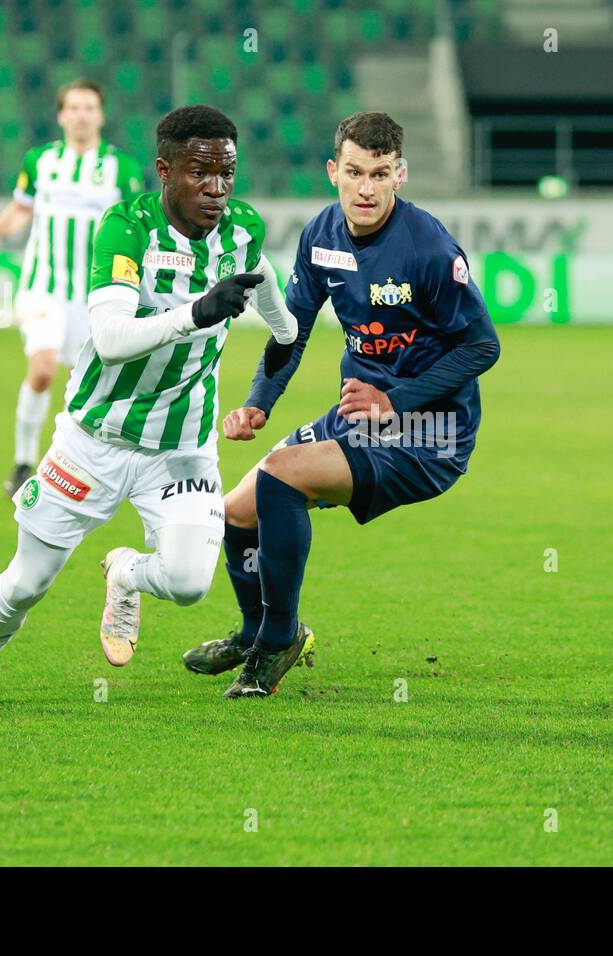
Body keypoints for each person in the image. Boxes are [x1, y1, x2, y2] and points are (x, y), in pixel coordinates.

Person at [0, 106, 297, 712]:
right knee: (28, 581)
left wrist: (282, 335)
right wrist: (197, 313)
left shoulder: (242, 230)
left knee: (191, 583)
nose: (217, 189)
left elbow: (274, 303)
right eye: (201, 173)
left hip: (181, 447)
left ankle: (124, 572)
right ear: (165, 171)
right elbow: (113, 337)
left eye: (227, 173)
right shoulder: (126, 228)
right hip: (94, 438)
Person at [180, 111, 501, 698]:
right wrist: (259, 403)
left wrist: (393, 399)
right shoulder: (321, 237)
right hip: (361, 415)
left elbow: (483, 345)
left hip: (430, 433)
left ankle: (281, 638)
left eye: (380, 174)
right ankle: (255, 630)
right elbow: (291, 329)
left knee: (281, 478)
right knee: (235, 512)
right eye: (354, 172)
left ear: (400, 175)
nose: (366, 188)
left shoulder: (428, 248)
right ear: (334, 171)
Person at [0, 79, 145, 497]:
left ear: (100, 115)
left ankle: (75, 468)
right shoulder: (41, 160)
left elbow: (136, 226)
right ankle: (22, 463)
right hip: (42, 287)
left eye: (89, 107)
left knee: (83, 385)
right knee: (43, 370)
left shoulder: (122, 168)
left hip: (95, 295)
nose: (82, 115)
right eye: (74, 107)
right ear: (61, 115)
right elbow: (22, 207)